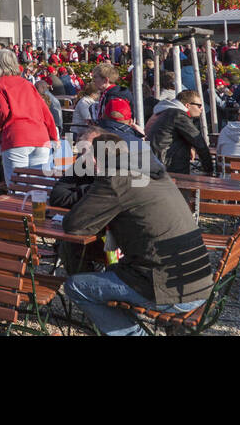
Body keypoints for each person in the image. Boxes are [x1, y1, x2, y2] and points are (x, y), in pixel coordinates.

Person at [54, 128, 213, 336]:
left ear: (95, 159)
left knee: (76, 286)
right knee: (112, 271)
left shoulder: (114, 179)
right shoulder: (155, 173)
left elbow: (74, 224)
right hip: (198, 283)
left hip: (166, 290)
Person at [0, 49, 60, 182]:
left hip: (16, 137)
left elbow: (2, 112)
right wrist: (54, 137)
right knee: (39, 187)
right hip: (40, 137)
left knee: (17, 187)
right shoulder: (27, 84)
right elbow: (45, 112)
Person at [147, 89, 214, 175]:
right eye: (199, 105)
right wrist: (209, 170)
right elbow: (199, 143)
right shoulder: (178, 115)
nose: (201, 109)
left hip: (158, 162)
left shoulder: (167, 112)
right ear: (187, 105)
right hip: (169, 167)